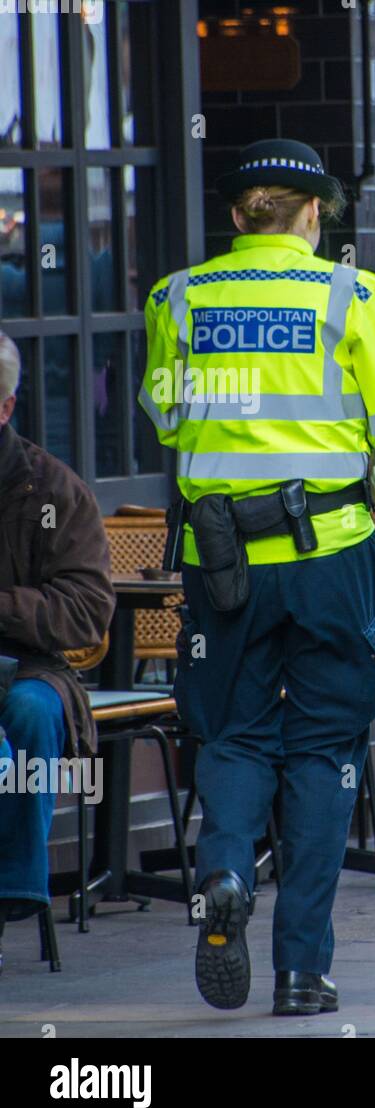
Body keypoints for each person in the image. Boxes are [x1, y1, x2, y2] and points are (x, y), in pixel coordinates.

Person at [139, 139, 375, 1015]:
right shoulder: (353, 297)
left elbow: (162, 412)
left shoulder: (179, 297)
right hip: (328, 558)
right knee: (323, 749)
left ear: (238, 217)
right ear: (315, 218)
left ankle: (226, 870)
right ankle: (302, 972)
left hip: (218, 564)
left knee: (230, 734)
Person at [0, 330, 116, 971]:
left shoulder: (54, 491)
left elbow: (87, 608)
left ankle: (14, 892)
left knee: (33, 715)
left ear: (6, 406)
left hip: (30, 663)